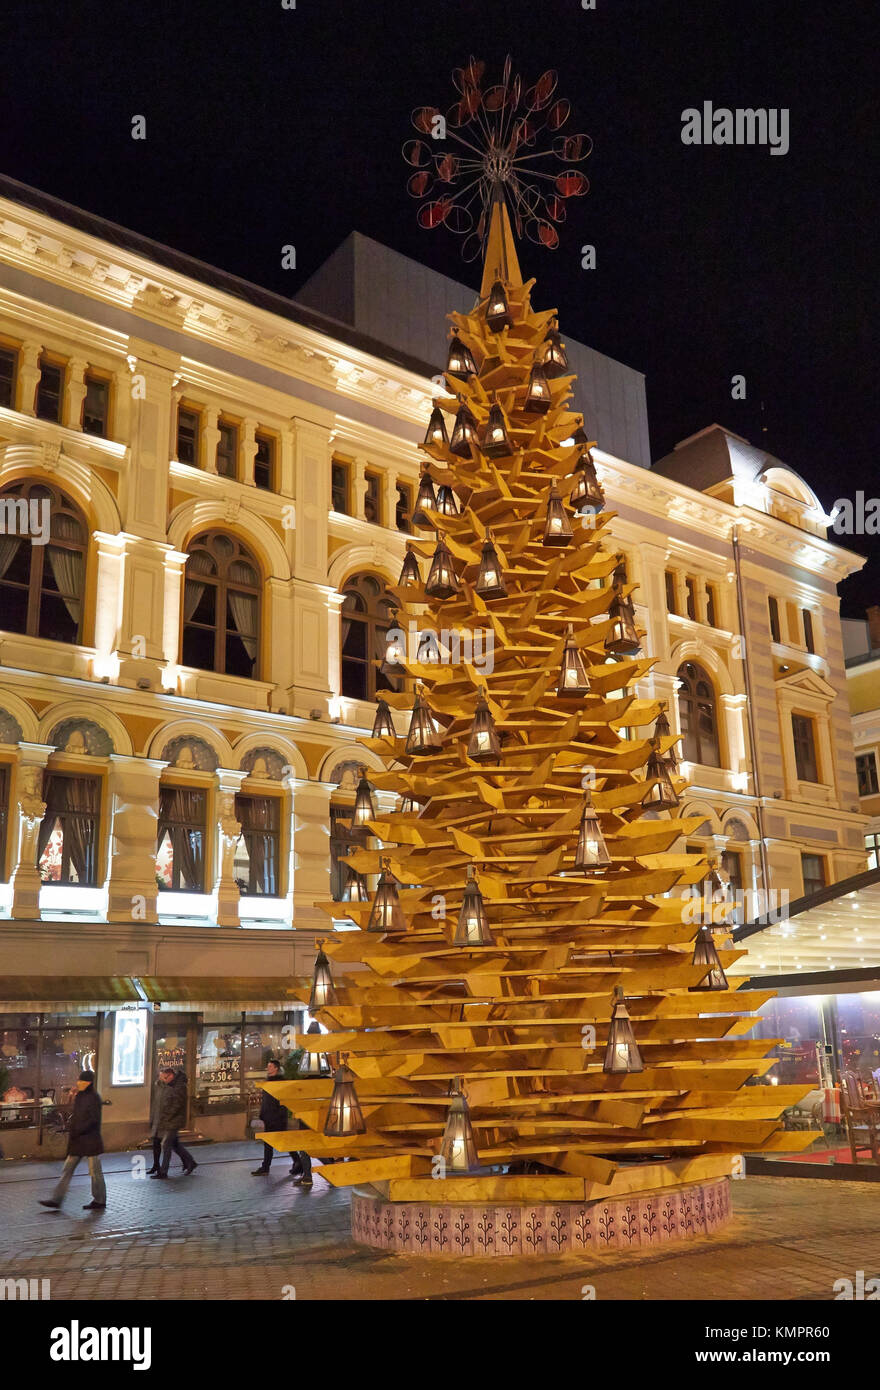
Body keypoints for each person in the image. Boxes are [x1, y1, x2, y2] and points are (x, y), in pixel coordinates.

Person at [39, 1070, 106, 1211]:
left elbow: (94, 1120)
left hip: (90, 1140)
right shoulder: (80, 1096)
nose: (78, 1083)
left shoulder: (94, 1097)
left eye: (81, 1081)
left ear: (88, 1082)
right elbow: (75, 1115)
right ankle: (56, 1199)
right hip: (78, 1140)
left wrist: (79, 1129)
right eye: (79, 1080)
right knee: (67, 1170)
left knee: (95, 1172)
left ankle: (100, 1200)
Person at [150, 1067, 197, 1178]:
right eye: (162, 1078)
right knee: (174, 1145)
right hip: (167, 1119)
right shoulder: (169, 1085)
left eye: (165, 1078)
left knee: (166, 1145)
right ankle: (191, 1162)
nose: (164, 1081)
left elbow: (177, 1105)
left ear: (171, 1075)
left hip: (173, 1120)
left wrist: (167, 1116)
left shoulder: (179, 1086)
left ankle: (163, 1171)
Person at [252, 1058, 291, 1175]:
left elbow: (279, 1101)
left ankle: (266, 1167)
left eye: (270, 1066)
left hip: (276, 1117)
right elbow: (266, 1102)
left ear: (276, 1068)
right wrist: (263, 1114)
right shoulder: (269, 1081)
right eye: (267, 1066)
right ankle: (266, 1167)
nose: (268, 1068)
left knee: (283, 1142)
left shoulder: (278, 1083)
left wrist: (275, 1114)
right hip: (270, 1117)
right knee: (271, 1143)